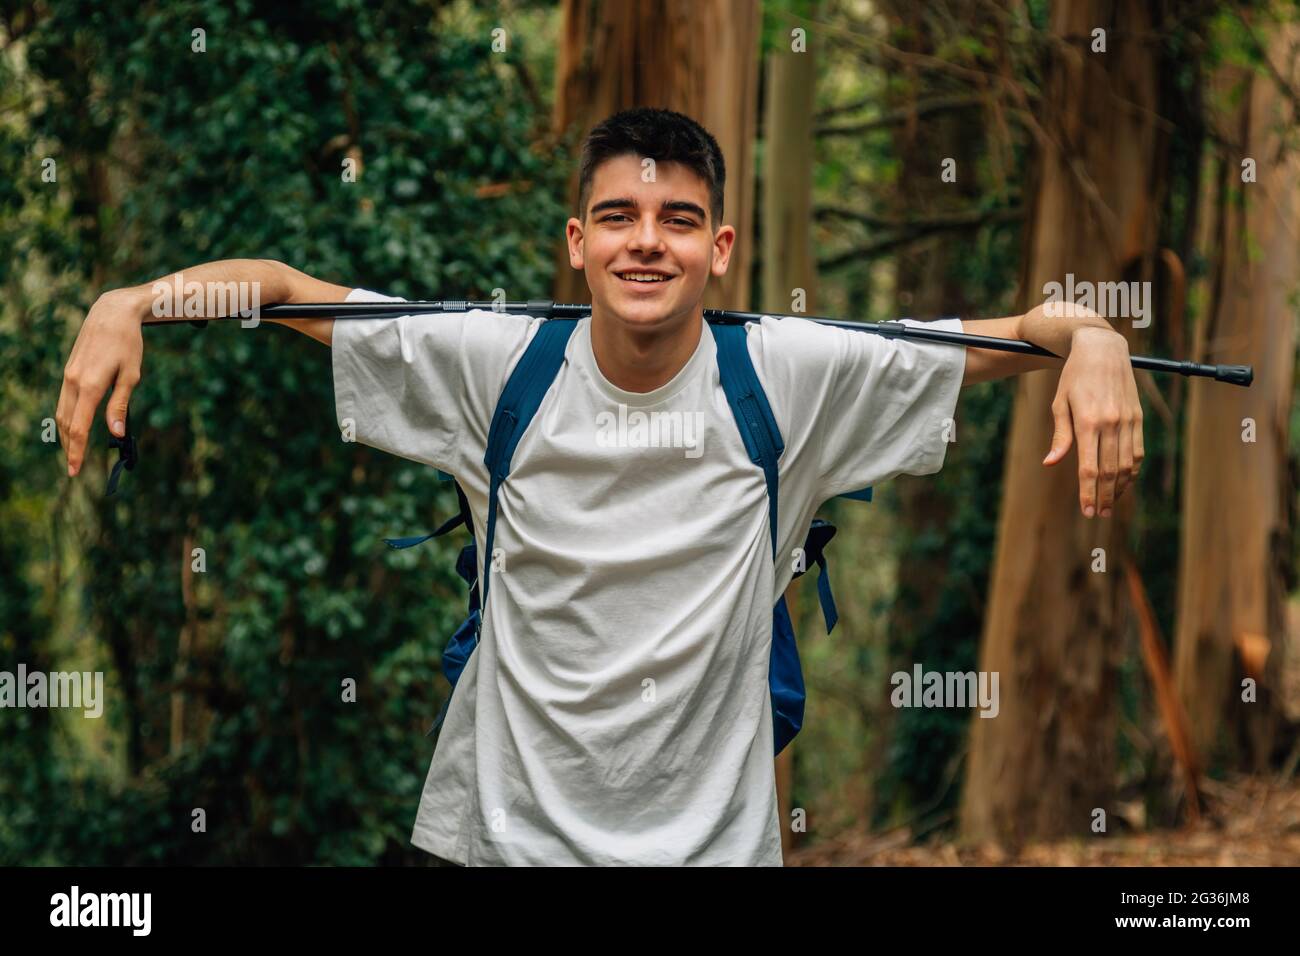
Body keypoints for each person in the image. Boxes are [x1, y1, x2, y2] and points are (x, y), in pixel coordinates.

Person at [55, 107, 1143, 866]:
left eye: (676, 221)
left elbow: (1016, 335)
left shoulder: (789, 374)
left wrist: (1089, 333)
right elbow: (288, 291)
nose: (645, 242)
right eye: (618, 216)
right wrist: (133, 299)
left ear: (717, 248)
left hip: (714, 851)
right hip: (510, 842)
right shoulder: (495, 362)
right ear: (578, 243)